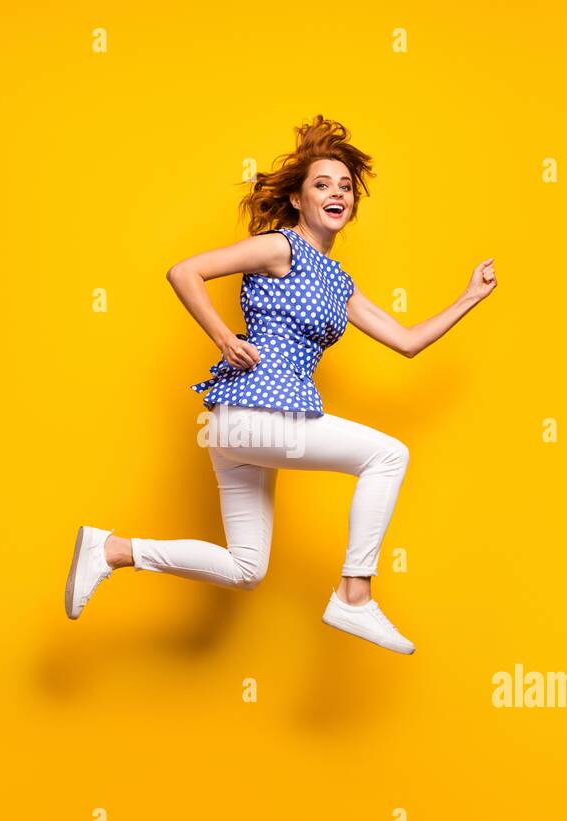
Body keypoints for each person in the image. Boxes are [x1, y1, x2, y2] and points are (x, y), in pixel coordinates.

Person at [65, 114, 497, 654]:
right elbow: (185, 271)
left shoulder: (338, 281)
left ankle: (111, 551)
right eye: (322, 184)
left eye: (344, 187)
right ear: (298, 199)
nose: (336, 193)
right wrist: (223, 337)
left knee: (246, 568)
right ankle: (354, 595)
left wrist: (470, 297)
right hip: (254, 413)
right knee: (388, 455)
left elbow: (406, 341)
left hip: (250, 432)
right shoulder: (280, 248)